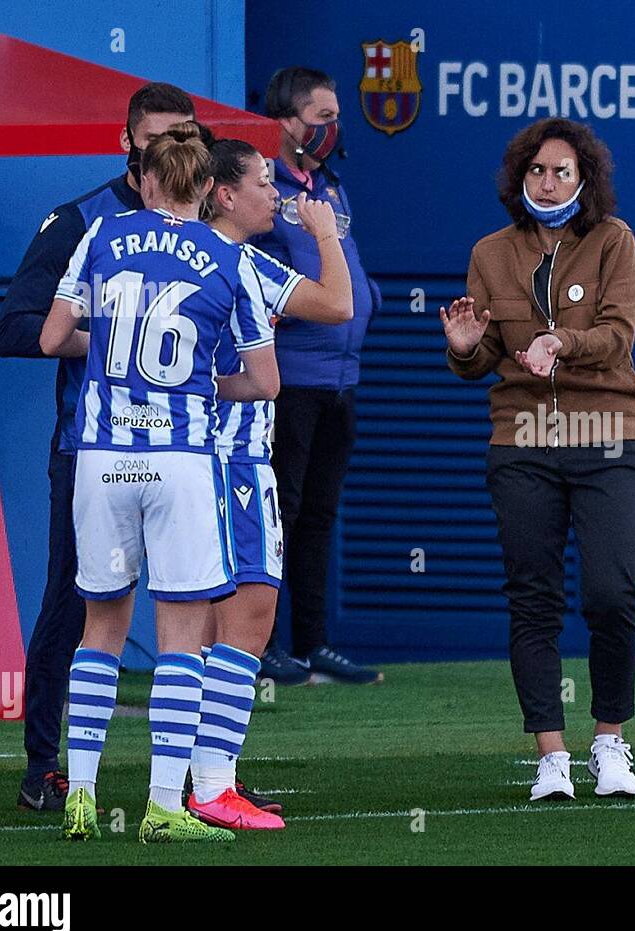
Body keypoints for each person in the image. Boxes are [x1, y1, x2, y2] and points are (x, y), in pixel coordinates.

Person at [40, 123, 280, 844]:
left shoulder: (102, 236)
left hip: (101, 458)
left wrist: (114, 342)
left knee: (99, 630)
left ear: (143, 179)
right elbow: (264, 381)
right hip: (179, 460)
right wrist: (207, 379)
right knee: (180, 637)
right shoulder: (226, 256)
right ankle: (164, 805)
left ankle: (78, 794)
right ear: (208, 189)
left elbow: (52, 338)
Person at [0, 83, 197, 813]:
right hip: (91, 447)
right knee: (75, 601)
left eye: (189, 135)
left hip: (187, 449)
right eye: (158, 139)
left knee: (202, 603)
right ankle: (45, 766)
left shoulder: (209, 221)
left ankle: (207, 775)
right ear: (128, 145)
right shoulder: (82, 220)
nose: (175, 151)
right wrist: (123, 342)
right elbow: (17, 327)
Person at [440, 118, 635, 801]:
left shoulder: (613, 239)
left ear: (584, 178)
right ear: (518, 178)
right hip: (521, 440)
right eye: (536, 170)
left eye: (561, 170)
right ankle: (550, 756)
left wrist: (560, 343)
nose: (548, 181)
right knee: (532, 598)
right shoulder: (491, 251)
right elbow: (479, 363)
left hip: (609, 433)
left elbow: (617, 335)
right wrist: (469, 346)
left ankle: (610, 742)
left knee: (610, 594)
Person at [182, 139, 353, 829]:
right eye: (262, 181)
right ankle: (212, 786)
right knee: (248, 619)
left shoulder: (172, 253)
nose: (275, 193)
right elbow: (338, 304)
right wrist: (324, 232)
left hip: (180, 459)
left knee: (192, 627)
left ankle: (191, 785)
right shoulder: (242, 262)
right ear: (224, 194)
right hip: (233, 463)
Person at [249, 66, 382, 685]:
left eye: (335, 116)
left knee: (321, 513)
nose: (332, 128)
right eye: (321, 117)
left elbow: (345, 266)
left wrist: (369, 296)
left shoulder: (329, 184)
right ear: (285, 122)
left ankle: (313, 644)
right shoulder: (263, 189)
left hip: (341, 378)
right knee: (283, 509)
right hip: (292, 377)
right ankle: (264, 644)